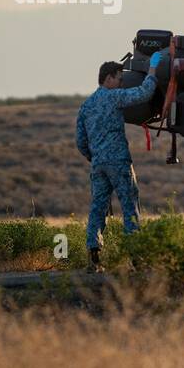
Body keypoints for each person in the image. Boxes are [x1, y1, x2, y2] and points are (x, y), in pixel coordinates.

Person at [75, 54, 163, 268]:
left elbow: (80, 142)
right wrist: (152, 69)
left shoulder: (86, 106)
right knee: (130, 206)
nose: (122, 82)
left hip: (98, 165)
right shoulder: (114, 97)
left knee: (98, 207)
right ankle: (136, 258)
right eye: (119, 78)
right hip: (119, 162)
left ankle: (93, 254)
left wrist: (94, 157)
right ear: (108, 79)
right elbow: (144, 93)